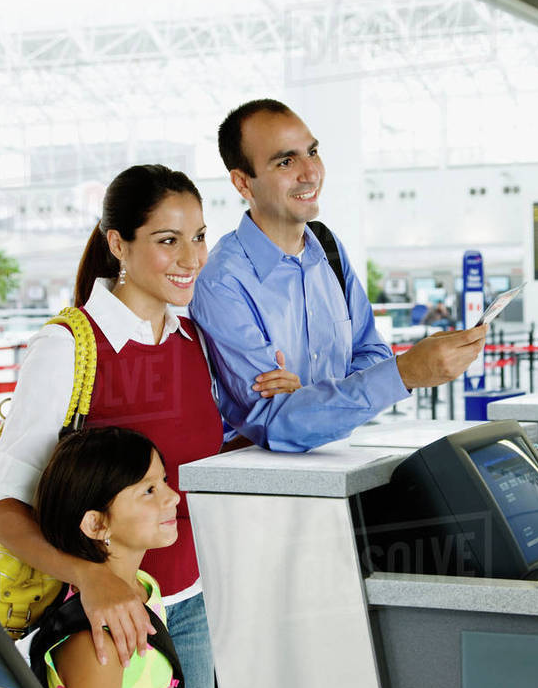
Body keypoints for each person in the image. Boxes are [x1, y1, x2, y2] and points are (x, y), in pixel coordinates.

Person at [0, 164, 299, 688]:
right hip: (105, 613)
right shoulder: (67, 348)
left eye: (198, 236)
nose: (191, 258)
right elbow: (1, 507)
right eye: (167, 240)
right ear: (117, 244)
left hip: (194, 598)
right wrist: (91, 580)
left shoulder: (195, 340)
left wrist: (276, 405)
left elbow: (200, 457)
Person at [190, 99, 487, 451]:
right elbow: (274, 423)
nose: (311, 173)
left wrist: (311, 402)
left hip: (340, 462)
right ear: (243, 184)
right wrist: (402, 373)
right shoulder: (221, 280)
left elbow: (372, 350)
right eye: (286, 161)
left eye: (312, 152)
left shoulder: (327, 250)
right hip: (266, 488)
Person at [33, 426, 184, 688]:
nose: (173, 496)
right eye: (148, 490)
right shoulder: (95, 642)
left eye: (164, 481)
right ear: (96, 523)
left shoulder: (141, 586)